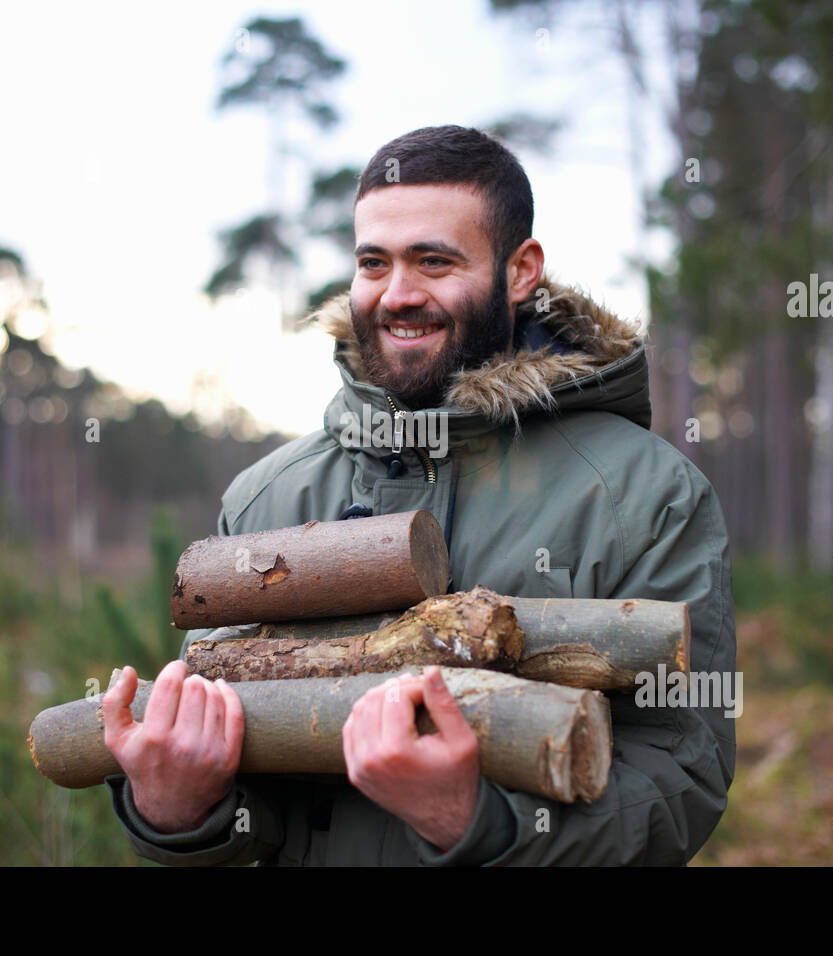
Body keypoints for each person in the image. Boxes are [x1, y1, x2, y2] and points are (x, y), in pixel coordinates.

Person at [102, 125, 736, 866]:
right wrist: (177, 807)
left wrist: (475, 823)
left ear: (521, 270)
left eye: (434, 261)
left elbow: (681, 780)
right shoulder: (266, 497)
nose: (398, 295)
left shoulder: (644, 495)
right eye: (374, 263)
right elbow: (251, 801)